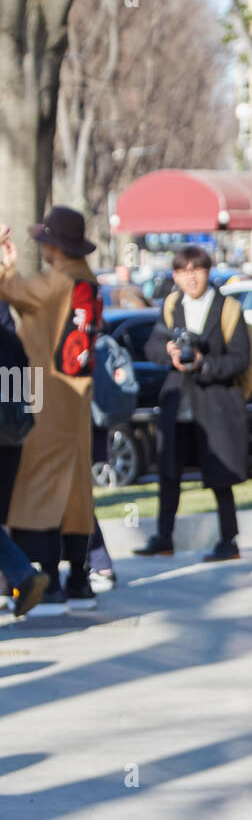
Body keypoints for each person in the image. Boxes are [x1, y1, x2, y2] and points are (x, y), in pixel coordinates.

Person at [0, 206, 101, 613]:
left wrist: (5, 268)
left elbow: (18, 294)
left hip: (46, 392)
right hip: (76, 395)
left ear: (54, 247)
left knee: (40, 484)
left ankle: (50, 580)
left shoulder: (59, 279)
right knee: (76, 489)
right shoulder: (85, 279)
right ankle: (79, 577)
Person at [133, 244, 250, 562]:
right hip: (178, 404)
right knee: (169, 474)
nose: (191, 278)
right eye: (184, 272)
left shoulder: (227, 309)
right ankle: (163, 536)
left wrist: (203, 364)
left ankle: (229, 539)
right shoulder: (172, 306)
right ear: (175, 276)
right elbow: (152, 347)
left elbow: (240, 359)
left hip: (215, 404)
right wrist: (170, 352)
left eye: (196, 270)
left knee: (219, 476)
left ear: (208, 272)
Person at [0, 301, 50, 615]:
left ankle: (19, 575)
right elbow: (28, 389)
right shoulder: (10, 339)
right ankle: (18, 576)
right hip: (12, 439)